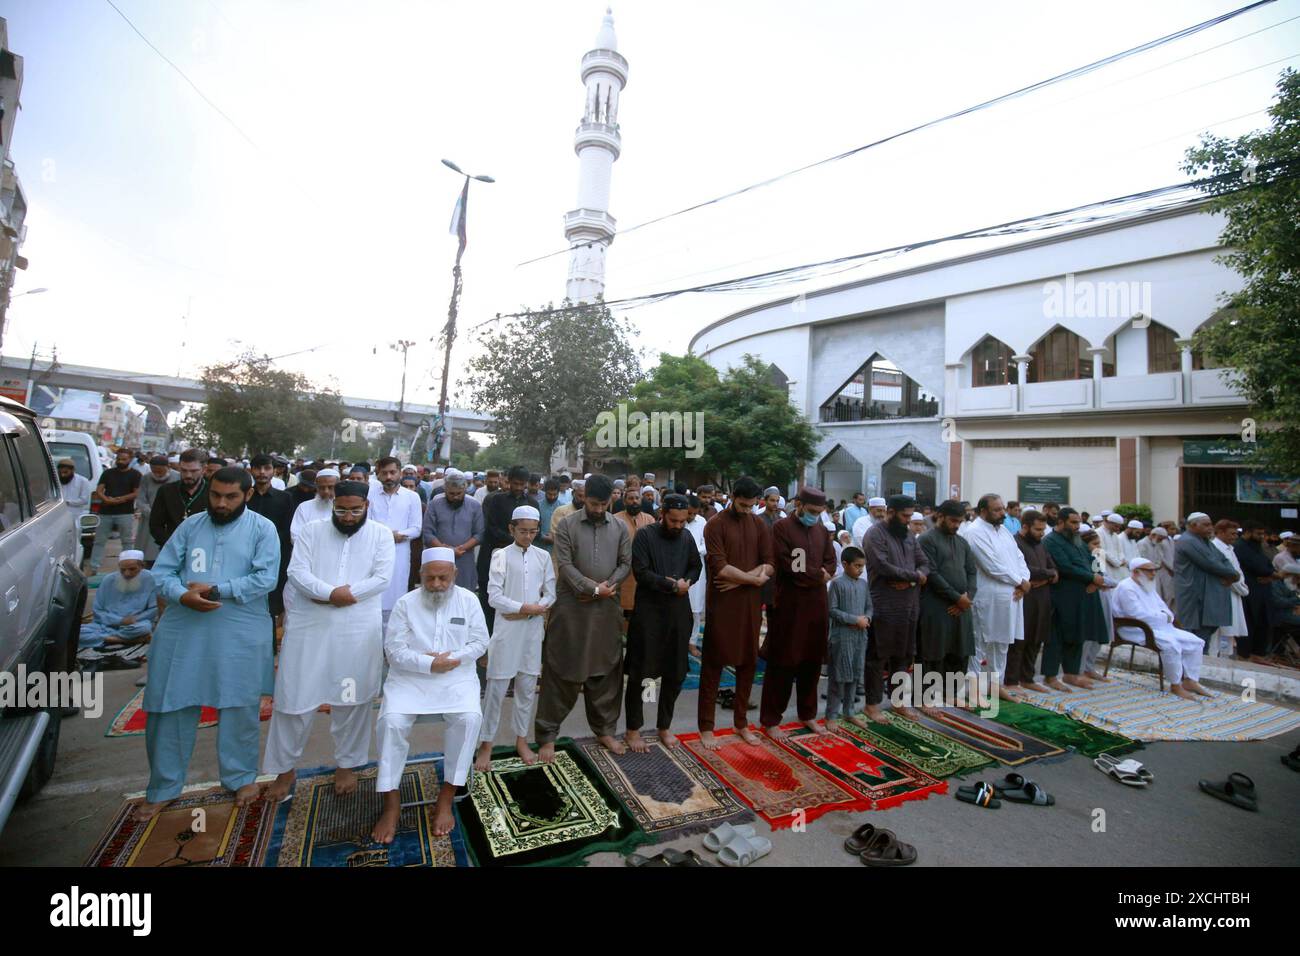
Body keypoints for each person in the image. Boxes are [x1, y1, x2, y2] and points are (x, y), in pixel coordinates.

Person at [133, 467, 279, 822]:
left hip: (239, 630)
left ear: (246, 495)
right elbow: (162, 571)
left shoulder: (263, 529)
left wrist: (216, 590)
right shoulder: (190, 526)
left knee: (239, 703)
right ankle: (164, 788)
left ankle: (241, 778)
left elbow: (265, 578)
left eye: (230, 497)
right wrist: (183, 595)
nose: (221, 503)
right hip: (185, 627)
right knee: (169, 703)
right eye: (216, 495)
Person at [263, 481, 394, 801]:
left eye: (355, 510)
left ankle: (347, 764)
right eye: (341, 509)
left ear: (367, 506)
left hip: (357, 624)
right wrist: (328, 593)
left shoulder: (381, 534)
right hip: (311, 622)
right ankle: (284, 769)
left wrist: (345, 595)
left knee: (353, 697)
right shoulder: (312, 530)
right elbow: (297, 571)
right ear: (332, 504)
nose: (348, 516)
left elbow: (381, 577)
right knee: (294, 694)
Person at [371, 548, 488, 843]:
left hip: (456, 677)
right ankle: (392, 802)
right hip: (410, 679)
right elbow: (394, 651)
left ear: (455, 575)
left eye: (443, 578)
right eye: (430, 578)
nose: (436, 584)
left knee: (469, 718)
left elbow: (480, 642)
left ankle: (447, 796)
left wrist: (453, 659)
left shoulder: (469, 600)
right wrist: (427, 663)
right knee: (391, 722)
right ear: (420, 575)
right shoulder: (405, 603)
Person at [534, 475, 631, 760]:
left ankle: (605, 730)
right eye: (593, 503)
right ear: (582, 497)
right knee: (561, 670)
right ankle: (547, 735)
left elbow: (626, 562)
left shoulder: (620, 527)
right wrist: (592, 588)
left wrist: (608, 587)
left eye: (604, 504)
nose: (599, 509)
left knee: (605, 671)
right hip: (572, 608)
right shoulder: (567, 524)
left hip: (606, 609)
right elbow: (564, 564)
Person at [476, 506, 556, 771]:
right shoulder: (500, 555)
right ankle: (486, 744)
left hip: (532, 631)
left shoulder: (543, 556)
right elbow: (493, 597)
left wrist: (534, 609)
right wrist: (525, 609)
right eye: (523, 531)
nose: (528, 536)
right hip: (507, 632)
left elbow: (550, 593)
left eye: (533, 531)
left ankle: (521, 739)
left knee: (526, 687)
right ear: (512, 529)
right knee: (496, 689)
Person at [698, 476, 773, 750]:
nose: (746, 510)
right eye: (742, 504)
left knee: (747, 663)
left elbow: (770, 563)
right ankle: (706, 727)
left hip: (750, 605)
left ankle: (741, 723)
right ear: (732, 496)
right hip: (723, 605)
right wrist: (753, 578)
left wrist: (745, 579)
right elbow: (720, 567)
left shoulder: (758, 524)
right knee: (713, 665)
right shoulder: (715, 525)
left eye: (751, 506)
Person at [623, 494, 701, 751]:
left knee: (675, 673)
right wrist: (670, 584)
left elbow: (695, 566)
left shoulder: (687, 537)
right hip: (649, 615)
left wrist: (687, 582)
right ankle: (634, 729)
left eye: (682, 521)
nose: (678, 526)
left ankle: (663, 726)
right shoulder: (645, 536)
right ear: (662, 514)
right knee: (643, 674)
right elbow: (641, 572)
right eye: (673, 521)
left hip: (678, 614)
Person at [760, 487, 836, 740]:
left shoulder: (822, 531)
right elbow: (793, 567)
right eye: (812, 511)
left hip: (817, 606)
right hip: (789, 606)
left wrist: (819, 574)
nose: (814, 516)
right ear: (799, 505)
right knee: (783, 662)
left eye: (819, 512)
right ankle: (771, 720)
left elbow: (831, 562)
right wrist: (818, 575)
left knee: (811, 663)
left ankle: (808, 714)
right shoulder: (782, 528)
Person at [861, 494, 929, 721]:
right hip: (884, 604)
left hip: (909, 605)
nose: (908, 521)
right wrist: (915, 577)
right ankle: (872, 705)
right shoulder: (875, 534)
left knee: (904, 654)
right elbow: (881, 566)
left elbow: (924, 563)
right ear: (890, 513)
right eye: (904, 516)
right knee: (878, 656)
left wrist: (912, 579)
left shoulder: (909, 535)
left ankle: (898, 702)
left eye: (910, 516)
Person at [1113, 558, 1213, 700]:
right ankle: (1175, 685)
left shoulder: (1147, 586)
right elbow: (1136, 615)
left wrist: (1165, 617)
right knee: (1171, 645)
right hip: (1136, 629)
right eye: (1149, 570)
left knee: (1197, 642)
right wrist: (1163, 617)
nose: (1153, 574)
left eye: (1154, 570)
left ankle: (1190, 680)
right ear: (1136, 572)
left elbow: (1165, 609)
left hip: (1160, 628)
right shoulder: (1126, 587)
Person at [965, 494, 1031, 701]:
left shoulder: (1003, 531)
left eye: (1002, 508)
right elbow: (991, 566)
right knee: (980, 643)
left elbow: (1019, 558)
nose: (1002, 513)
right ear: (983, 511)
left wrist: (1024, 580)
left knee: (1002, 644)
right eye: (997, 510)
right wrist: (1019, 581)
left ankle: (996, 686)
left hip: (1011, 596)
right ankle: (972, 689)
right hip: (988, 596)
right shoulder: (974, 532)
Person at [917, 499, 977, 710]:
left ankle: (950, 693)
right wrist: (955, 598)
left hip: (961, 606)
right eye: (953, 520)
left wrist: (966, 598)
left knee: (959, 651)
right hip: (936, 605)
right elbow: (931, 573)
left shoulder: (962, 542)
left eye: (960, 521)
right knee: (932, 652)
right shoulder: (926, 539)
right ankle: (925, 697)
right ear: (940, 516)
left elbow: (972, 571)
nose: (957, 525)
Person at [1042, 509, 1105, 691]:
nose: (1077, 527)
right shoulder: (1051, 541)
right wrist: (1091, 578)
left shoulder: (1077, 540)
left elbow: (1093, 558)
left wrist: (1097, 576)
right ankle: (1050, 676)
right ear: (1060, 522)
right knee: (1057, 636)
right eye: (1073, 523)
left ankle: (1071, 674)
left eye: (1078, 523)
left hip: (1083, 595)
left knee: (1079, 634)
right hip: (1063, 596)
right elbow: (1065, 567)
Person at [477, 465, 538, 631]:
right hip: (494, 553)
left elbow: (535, 532)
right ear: (508, 481)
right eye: (515, 483)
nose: (518, 488)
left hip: (520, 559)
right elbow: (491, 527)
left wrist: (521, 541)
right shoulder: (496, 500)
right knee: (490, 596)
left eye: (522, 485)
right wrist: (513, 540)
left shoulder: (532, 503)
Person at [368, 456, 424, 632]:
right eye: (384, 473)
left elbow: (416, 528)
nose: (389, 477)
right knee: (373, 596)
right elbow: (366, 524)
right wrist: (387, 535)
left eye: (392, 472)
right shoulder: (369, 495)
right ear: (378, 474)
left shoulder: (412, 497)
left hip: (400, 552)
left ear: (399, 473)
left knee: (395, 595)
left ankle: (391, 643)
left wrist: (398, 535)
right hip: (372, 551)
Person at [1174, 512, 1241, 647]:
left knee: (1205, 632)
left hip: (1207, 593)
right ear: (1193, 525)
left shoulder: (1204, 541)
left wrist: (1233, 575)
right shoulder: (1188, 540)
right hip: (1193, 592)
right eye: (1206, 525)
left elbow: (1223, 559)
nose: (1210, 528)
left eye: (1210, 524)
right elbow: (1210, 563)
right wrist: (1233, 575)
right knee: (1192, 634)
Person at [247, 453, 295, 632]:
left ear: (274, 471)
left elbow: (287, 529)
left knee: (271, 605)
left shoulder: (284, 498)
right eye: (257, 468)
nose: (261, 472)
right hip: (245, 555)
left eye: (266, 468)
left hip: (274, 556)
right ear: (251, 470)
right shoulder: (245, 496)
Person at [1009, 510, 1056, 693]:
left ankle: (1027, 678)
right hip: (1023, 598)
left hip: (1042, 598)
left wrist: (1046, 576)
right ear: (1025, 527)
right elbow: (1025, 570)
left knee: (1037, 638)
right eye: (1038, 529)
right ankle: (1011, 680)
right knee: (1019, 640)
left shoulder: (1040, 544)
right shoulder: (1014, 543)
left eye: (1043, 529)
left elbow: (1054, 569)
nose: (1041, 533)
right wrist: (1047, 575)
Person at [826, 546, 872, 729]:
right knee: (838, 676)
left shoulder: (863, 584)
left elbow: (869, 606)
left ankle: (849, 712)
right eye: (857, 566)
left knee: (854, 674)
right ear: (845, 564)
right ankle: (831, 715)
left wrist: (867, 618)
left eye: (862, 566)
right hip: (842, 637)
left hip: (860, 636)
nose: (860, 570)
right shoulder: (837, 584)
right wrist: (853, 619)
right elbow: (832, 610)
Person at [78, 550, 157, 648]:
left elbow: (153, 610)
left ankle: (105, 639)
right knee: (75, 632)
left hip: (134, 625)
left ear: (142, 566)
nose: (127, 573)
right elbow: (98, 610)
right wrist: (119, 620)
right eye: (123, 570)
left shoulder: (152, 579)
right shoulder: (108, 580)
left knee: (144, 628)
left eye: (132, 569)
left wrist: (134, 620)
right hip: (104, 626)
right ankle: (119, 640)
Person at [422, 470, 484, 591]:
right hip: (438, 557)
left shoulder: (474, 505)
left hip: (464, 557)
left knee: (464, 594)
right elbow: (428, 533)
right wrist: (446, 550)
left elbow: (480, 534)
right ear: (445, 489)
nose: (455, 497)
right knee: (437, 590)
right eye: (451, 493)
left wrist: (461, 549)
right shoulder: (435, 504)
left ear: (465, 489)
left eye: (459, 493)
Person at [90, 448, 142, 575]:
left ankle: (128, 567)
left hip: (125, 512)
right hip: (105, 511)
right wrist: (106, 500)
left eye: (124, 459)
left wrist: (121, 499)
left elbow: (137, 492)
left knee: (127, 541)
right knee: (99, 541)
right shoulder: (108, 473)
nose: (120, 461)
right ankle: (93, 568)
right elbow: (99, 490)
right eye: (119, 459)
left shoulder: (135, 475)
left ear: (130, 459)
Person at [149, 448, 209, 556]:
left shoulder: (212, 492)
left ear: (204, 469)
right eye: (184, 470)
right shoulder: (166, 491)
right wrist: (170, 545)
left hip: (203, 552)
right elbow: (155, 525)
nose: (188, 475)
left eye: (193, 471)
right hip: (171, 550)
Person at [1235, 520, 1279, 663]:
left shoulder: (1257, 547)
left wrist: (1269, 575)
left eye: (1263, 534)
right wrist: (1269, 574)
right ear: (1248, 532)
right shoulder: (1241, 547)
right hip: (1249, 591)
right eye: (1258, 533)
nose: (1261, 537)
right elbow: (1259, 566)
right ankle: (1245, 654)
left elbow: (1267, 565)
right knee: (1249, 623)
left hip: (1262, 591)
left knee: (1263, 622)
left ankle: (1258, 654)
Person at [614, 484, 655, 624]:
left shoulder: (649, 520)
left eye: (637, 498)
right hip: (622, 570)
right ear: (625, 501)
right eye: (630, 498)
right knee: (622, 608)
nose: (634, 501)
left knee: (641, 607)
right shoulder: (615, 519)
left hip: (644, 570)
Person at [1210, 520, 1250, 658]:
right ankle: (1215, 657)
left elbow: (1238, 571)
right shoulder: (1216, 548)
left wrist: (1242, 586)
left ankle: (1225, 655)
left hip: (1234, 593)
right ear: (1220, 532)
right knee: (1220, 629)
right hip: (1223, 594)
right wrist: (1241, 587)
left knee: (1228, 630)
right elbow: (1228, 573)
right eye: (1231, 533)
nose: (1235, 537)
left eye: (1236, 534)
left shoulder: (1230, 548)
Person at [133, 455, 177, 562]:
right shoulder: (146, 478)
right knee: (147, 549)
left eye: (160, 471)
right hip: (149, 518)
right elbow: (140, 500)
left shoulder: (178, 477)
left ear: (168, 467)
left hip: (172, 519)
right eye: (154, 471)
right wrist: (153, 514)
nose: (157, 474)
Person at [684, 494, 708, 655]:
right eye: (689, 513)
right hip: (678, 568)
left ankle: (692, 642)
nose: (691, 517)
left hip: (697, 569)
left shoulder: (703, 522)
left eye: (694, 513)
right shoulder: (677, 520)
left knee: (695, 609)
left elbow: (705, 546)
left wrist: (691, 551)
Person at [290, 467, 338, 542]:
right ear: (316, 487)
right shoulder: (304, 507)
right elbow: (296, 536)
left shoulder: (347, 508)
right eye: (322, 487)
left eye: (331, 487)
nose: (326, 491)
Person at [1137, 525, 1176, 607]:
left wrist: (1156, 566)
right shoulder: (1142, 543)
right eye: (1160, 539)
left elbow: (1160, 557)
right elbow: (1142, 559)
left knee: (1157, 595)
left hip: (1155, 572)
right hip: (1144, 573)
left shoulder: (1157, 544)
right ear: (1153, 535)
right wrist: (1153, 567)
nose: (1160, 541)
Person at [536, 477, 562, 551]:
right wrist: (542, 536)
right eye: (549, 494)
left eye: (555, 494)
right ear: (545, 492)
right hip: (539, 546)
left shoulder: (563, 508)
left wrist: (555, 538)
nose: (552, 497)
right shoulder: (537, 505)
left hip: (556, 549)